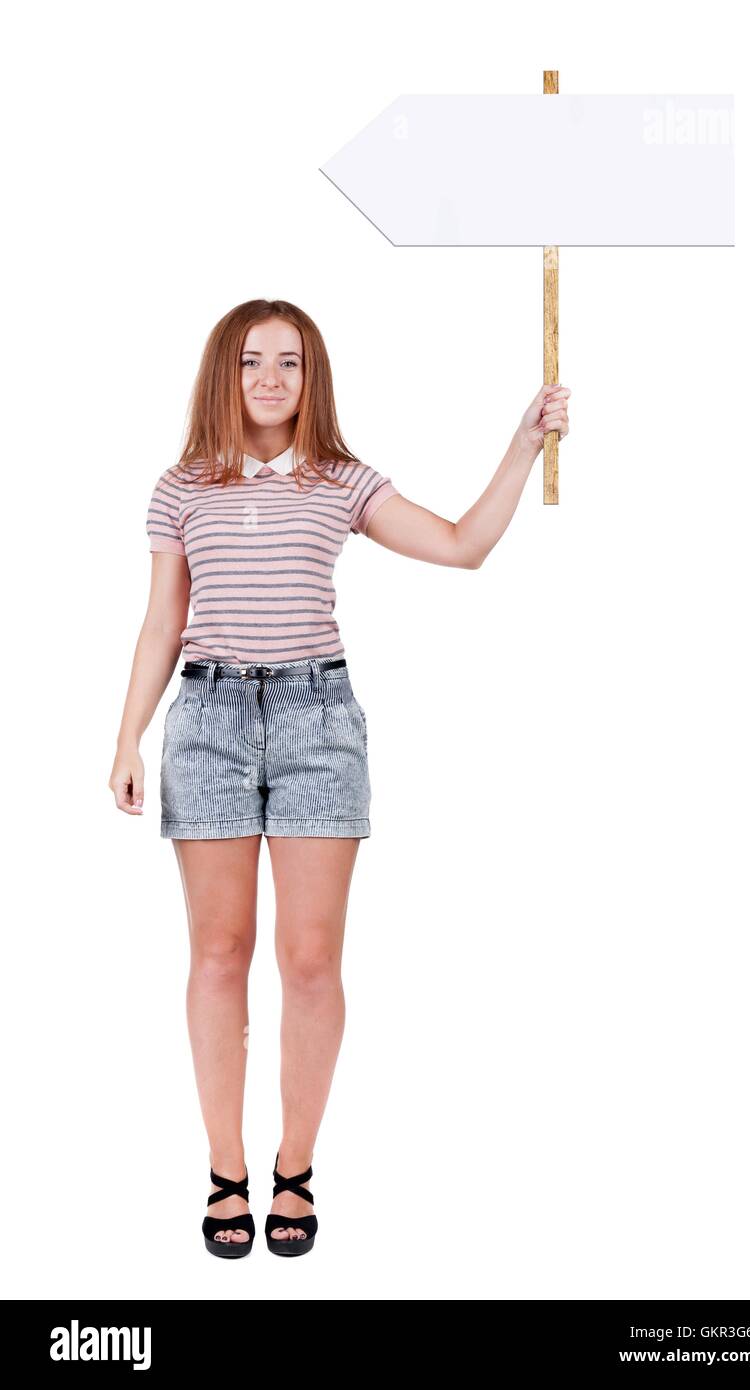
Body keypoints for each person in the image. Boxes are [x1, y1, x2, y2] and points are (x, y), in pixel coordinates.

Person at [108, 297, 571, 1258]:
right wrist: (128, 738)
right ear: (220, 376)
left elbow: (461, 546)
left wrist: (525, 444)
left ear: (313, 378)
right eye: (249, 362)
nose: (269, 379)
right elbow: (161, 624)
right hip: (208, 722)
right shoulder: (182, 487)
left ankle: (296, 1171)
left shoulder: (339, 481)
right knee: (217, 956)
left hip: (319, 723)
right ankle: (225, 1171)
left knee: (311, 962)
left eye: (289, 362)